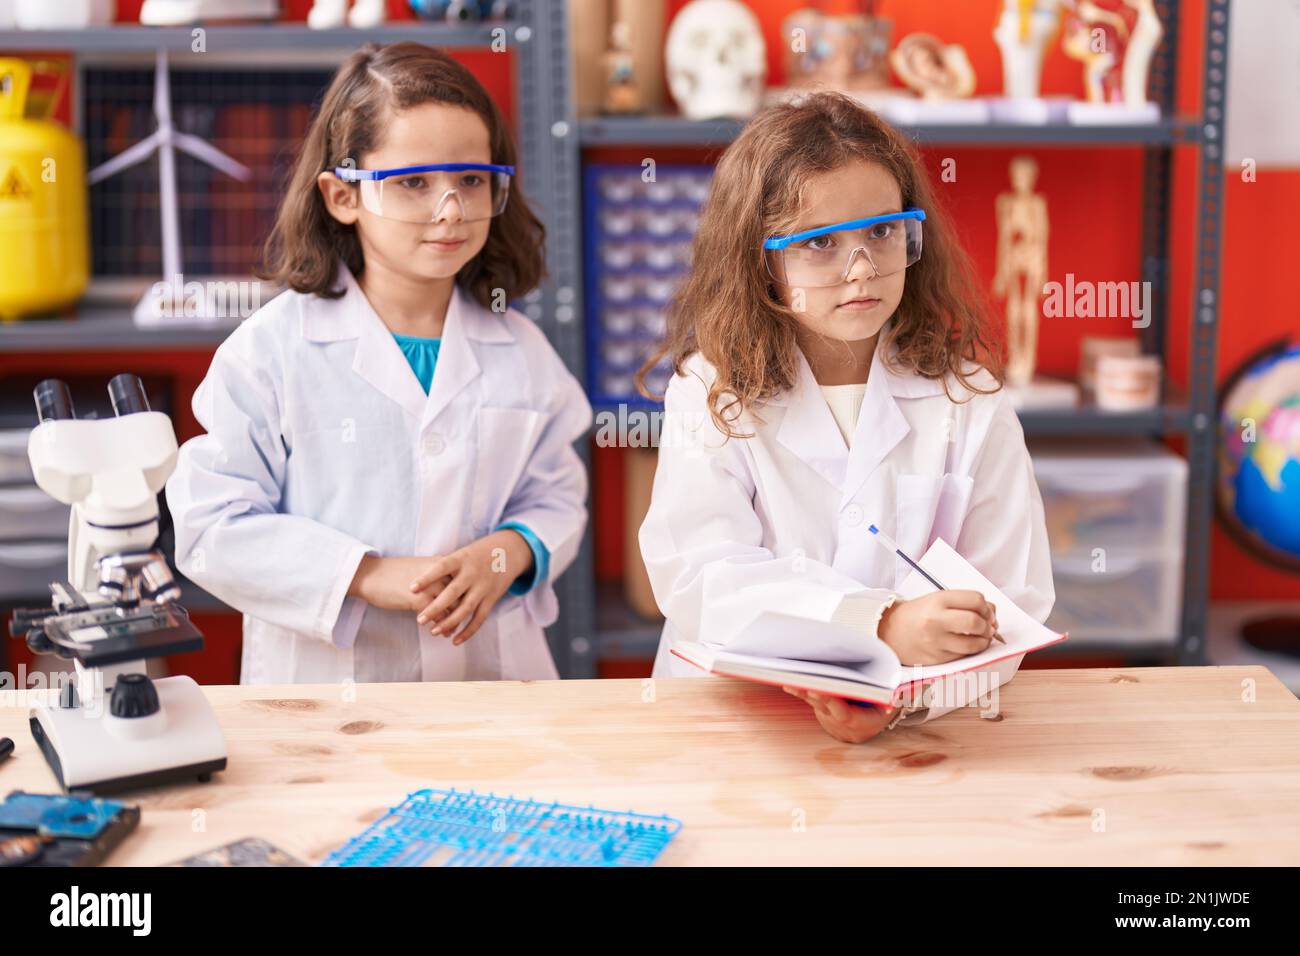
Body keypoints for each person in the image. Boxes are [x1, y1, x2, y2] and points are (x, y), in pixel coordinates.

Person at [166, 44, 590, 685]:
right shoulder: (271, 353)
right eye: (413, 183)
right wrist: (364, 574)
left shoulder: (521, 350)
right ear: (343, 195)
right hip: (325, 704)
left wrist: (505, 554)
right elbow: (211, 527)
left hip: (493, 693)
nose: (450, 210)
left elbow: (556, 496)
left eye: (470, 180)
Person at [638, 92, 1054, 743]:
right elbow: (702, 579)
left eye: (882, 231)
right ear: (762, 261)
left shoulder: (971, 402)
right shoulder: (707, 393)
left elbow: (1012, 603)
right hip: (743, 725)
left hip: (924, 733)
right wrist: (878, 624)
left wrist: (902, 699)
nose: (861, 269)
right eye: (821, 243)